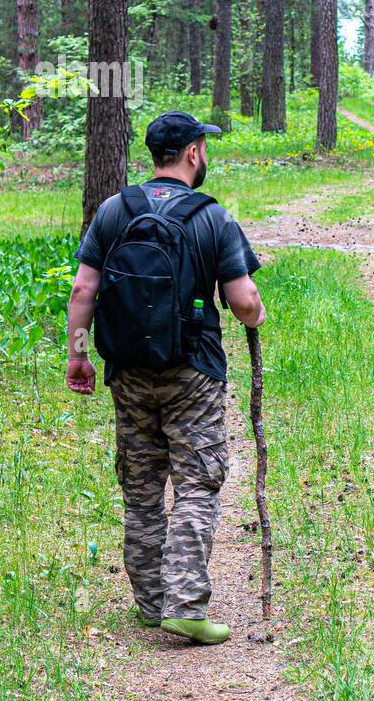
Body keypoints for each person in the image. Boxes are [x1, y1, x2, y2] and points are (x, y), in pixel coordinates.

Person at [65, 112, 266, 645]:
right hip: (192, 374)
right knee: (197, 481)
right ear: (193, 153)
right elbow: (244, 302)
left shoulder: (115, 209)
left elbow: (83, 292)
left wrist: (78, 357)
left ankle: (152, 602)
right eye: (205, 147)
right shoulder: (213, 217)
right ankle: (186, 603)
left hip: (127, 371)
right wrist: (256, 315)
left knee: (142, 486)